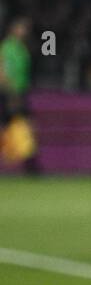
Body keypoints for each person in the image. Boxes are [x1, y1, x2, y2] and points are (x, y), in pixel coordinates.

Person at [0, 16, 41, 174]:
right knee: (19, 126)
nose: (24, 31)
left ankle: (29, 163)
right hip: (11, 93)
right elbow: (3, 72)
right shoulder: (7, 48)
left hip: (20, 91)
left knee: (23, 126)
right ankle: (28, 164)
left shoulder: (21, 47)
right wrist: (10, 92)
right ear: (13, 29)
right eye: (21, 27)